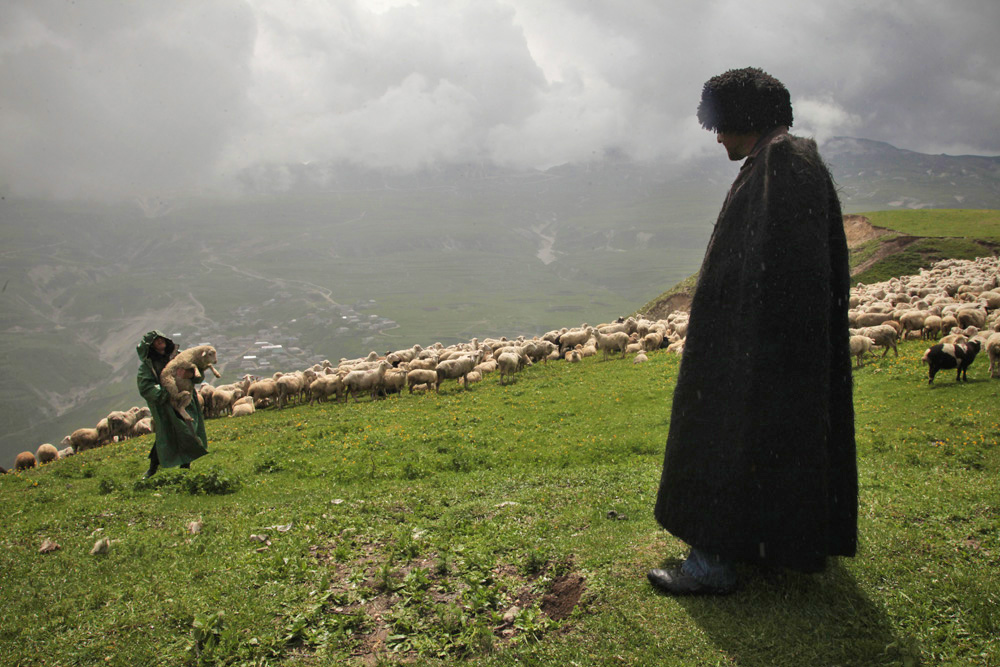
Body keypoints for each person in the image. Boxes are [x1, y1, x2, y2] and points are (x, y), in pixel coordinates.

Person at [648, 68, 858, 595]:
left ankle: (710, 562)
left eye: (720, 124)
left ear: (745, 117)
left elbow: (770, 270)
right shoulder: (793, 159)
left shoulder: (780, 165)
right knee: (775, 442)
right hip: (782, 347)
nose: (716, 136)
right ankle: (768, 544)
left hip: (755, 347)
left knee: (724, 434)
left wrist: (738, 346)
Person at [136, 330, 209, 479]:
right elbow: (146, 386)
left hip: (185, 401)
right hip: (166, 405)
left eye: (161, 339)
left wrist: (191, 375)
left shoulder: (179, 356)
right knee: (166, 434)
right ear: (150, 346)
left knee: (188, 431)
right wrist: (164, 394)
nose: (159, 342)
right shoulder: (148, 366)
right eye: (155, 341)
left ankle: (185, 467)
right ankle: (153, 468)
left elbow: (197, 372)